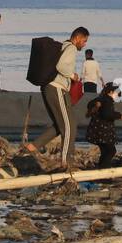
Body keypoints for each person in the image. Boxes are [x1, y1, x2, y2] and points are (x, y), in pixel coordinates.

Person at [27, 27, 90, 167]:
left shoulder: (63, 46)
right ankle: (67, 162)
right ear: (78, 38)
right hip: (57, 88)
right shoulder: (71, 48)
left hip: (50, 88)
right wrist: (73, 75)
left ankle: (32, 147)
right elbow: (61, 67)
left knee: (60, 124)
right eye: (84, 41)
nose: (85, 44)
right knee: (70, 126)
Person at [85, 81, 122, 167]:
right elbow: (107, 114)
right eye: (116, 92)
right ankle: (104, 170)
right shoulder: (108, 101)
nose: (117, 95)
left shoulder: (101, 98)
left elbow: (89, 104)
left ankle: (101, 168)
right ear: (110, 92)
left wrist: (96, 106)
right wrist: (120, 115)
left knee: (105, 151)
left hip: (97, 131)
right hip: (104, 132)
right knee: (111, 151)